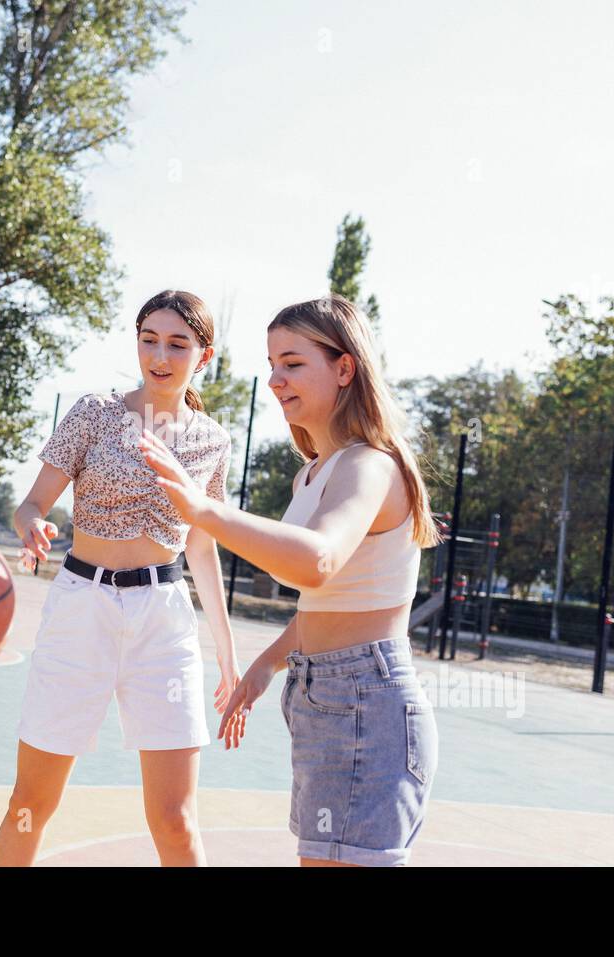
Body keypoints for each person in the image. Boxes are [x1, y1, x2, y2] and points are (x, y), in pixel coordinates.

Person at [139, 294, 441, 867]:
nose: (275, 380)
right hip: (322, 694)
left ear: (345, 368)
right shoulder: (316, 471)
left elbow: (317, 561)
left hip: (365, 699)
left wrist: (204, 512)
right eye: (272, 364)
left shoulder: (368, 464)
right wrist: (264, 665)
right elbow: (332, 602)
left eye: (293, 363)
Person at [0, 290, 238, 867]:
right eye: (149, 338)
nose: (160, 353)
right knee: (30, 801)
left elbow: (203, 551)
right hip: (82, 607)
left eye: (178, 343)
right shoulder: (93, 413)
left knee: (175, 822)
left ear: (203, 356)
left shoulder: (213, 441)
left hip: (164, 619)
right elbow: (31, 505)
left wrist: (225, 655)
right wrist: (32, 528)